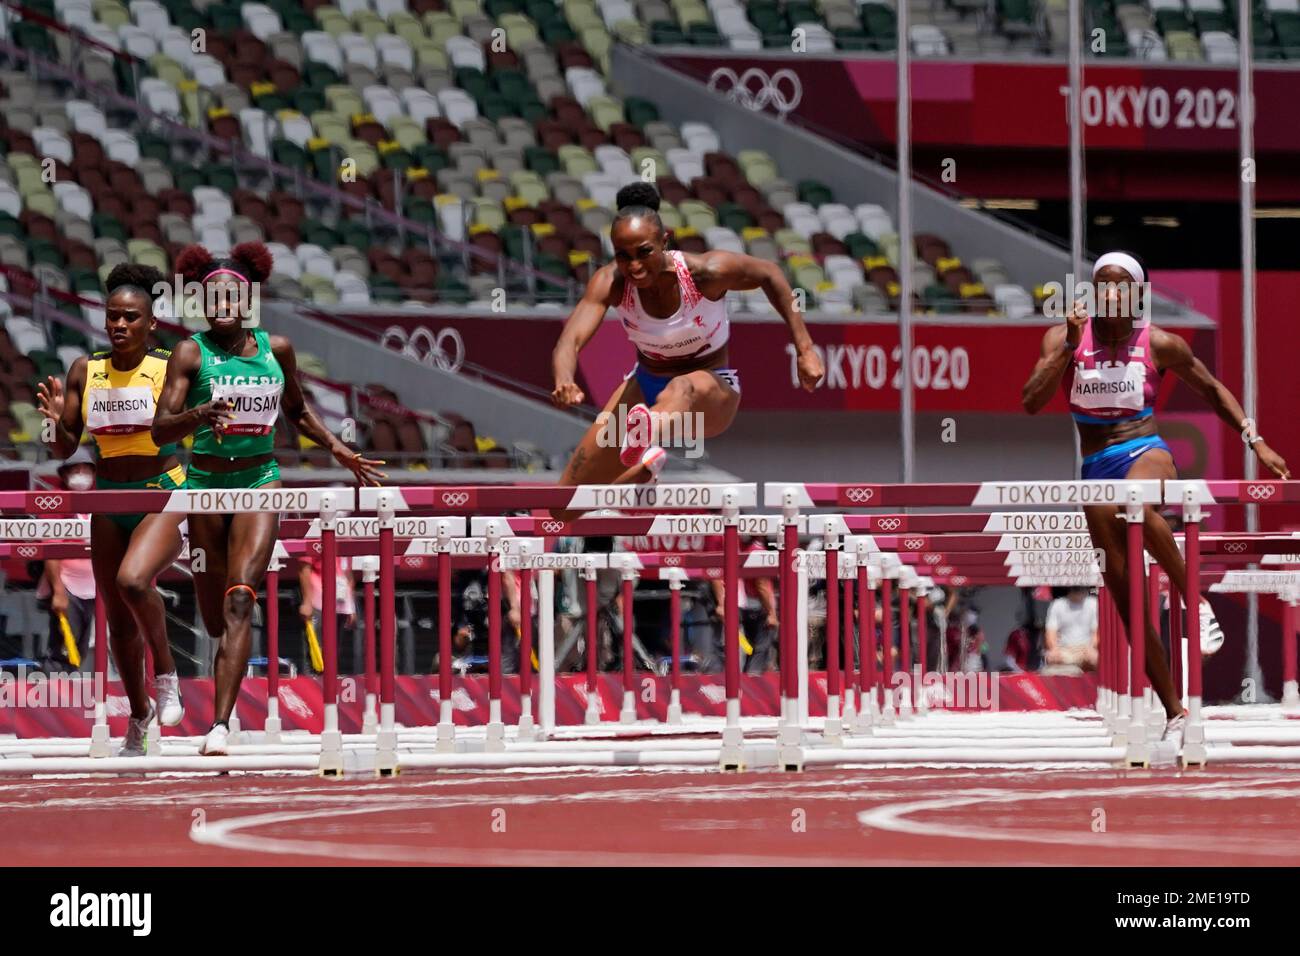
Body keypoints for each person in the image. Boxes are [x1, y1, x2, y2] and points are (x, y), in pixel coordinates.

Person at [1022, 250, 1290, 740]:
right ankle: (1174, 713)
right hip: (1094, 465)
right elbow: (1031, 402)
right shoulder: (1064, 339)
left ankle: (1196, 600)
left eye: (1120, 284)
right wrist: (1067, 349)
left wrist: (1255, 439)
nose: (1109, 291)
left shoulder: (1160, 343)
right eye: (1101, 283)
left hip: (1145, 448)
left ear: (1136, 294)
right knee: (1127, 599)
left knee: (1137, 501)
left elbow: (1211, 389)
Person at [151, 242, 385, 756]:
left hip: (260, 479)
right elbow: (159, 428)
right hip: (206, 487)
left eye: (234, 293)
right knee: (213, 615)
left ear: (249, 298)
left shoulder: (277, 349)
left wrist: (340, 450)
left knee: (239, 600)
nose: (225, 303)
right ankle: (215, 693)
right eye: (214, 296)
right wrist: (198, 415)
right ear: (203, 303)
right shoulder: (192, 352)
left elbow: (297, 413)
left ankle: (218, 725)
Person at [549, 182, 823, 517]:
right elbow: (570, 339)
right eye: (623, 256)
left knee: (682, 386)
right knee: (563, 508)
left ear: (665, 241)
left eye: (644, 253)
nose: (634, 266)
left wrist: (804, 348)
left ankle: (647, 431)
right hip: (646, 385)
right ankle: (643, 467)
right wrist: (564, 378)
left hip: (710, 391)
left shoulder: (704, 273)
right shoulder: (611, 283)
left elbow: (770, 274)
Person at [37, 263, 188, 756]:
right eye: (112, 317)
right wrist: (56, 423)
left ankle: (167, 674)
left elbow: (185, 429)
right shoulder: (87, 370)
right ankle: (140, 718)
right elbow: (64, 450)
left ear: (151, 324)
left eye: (130, 317)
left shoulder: (169, 367)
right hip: (108, 499)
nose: (119, 325)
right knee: (119, 623)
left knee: (132, 582)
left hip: (161, 491)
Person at [37, 449, 98, 673]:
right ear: (64, 474)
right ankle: (50, 702)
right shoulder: (55, 500)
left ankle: (73, 701)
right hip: (68, 587)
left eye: (85, 469)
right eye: (75, 470)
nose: (81, 474)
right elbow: (51, 549)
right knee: (62, 652)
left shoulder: (99, 499)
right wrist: (59, 591)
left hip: (96, 588)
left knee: (81, 651)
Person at [1042, 586, 1100, 671]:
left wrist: (1091, 648)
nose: (1078, 590)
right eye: (1075, 587)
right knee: (1051, 657)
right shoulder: (1057, 604)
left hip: (1085, 648)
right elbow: (1051, 633)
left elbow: (1096, 633)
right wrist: (1054, 649)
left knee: (1095, 658)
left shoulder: (1093, 604)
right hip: (1064, 648)